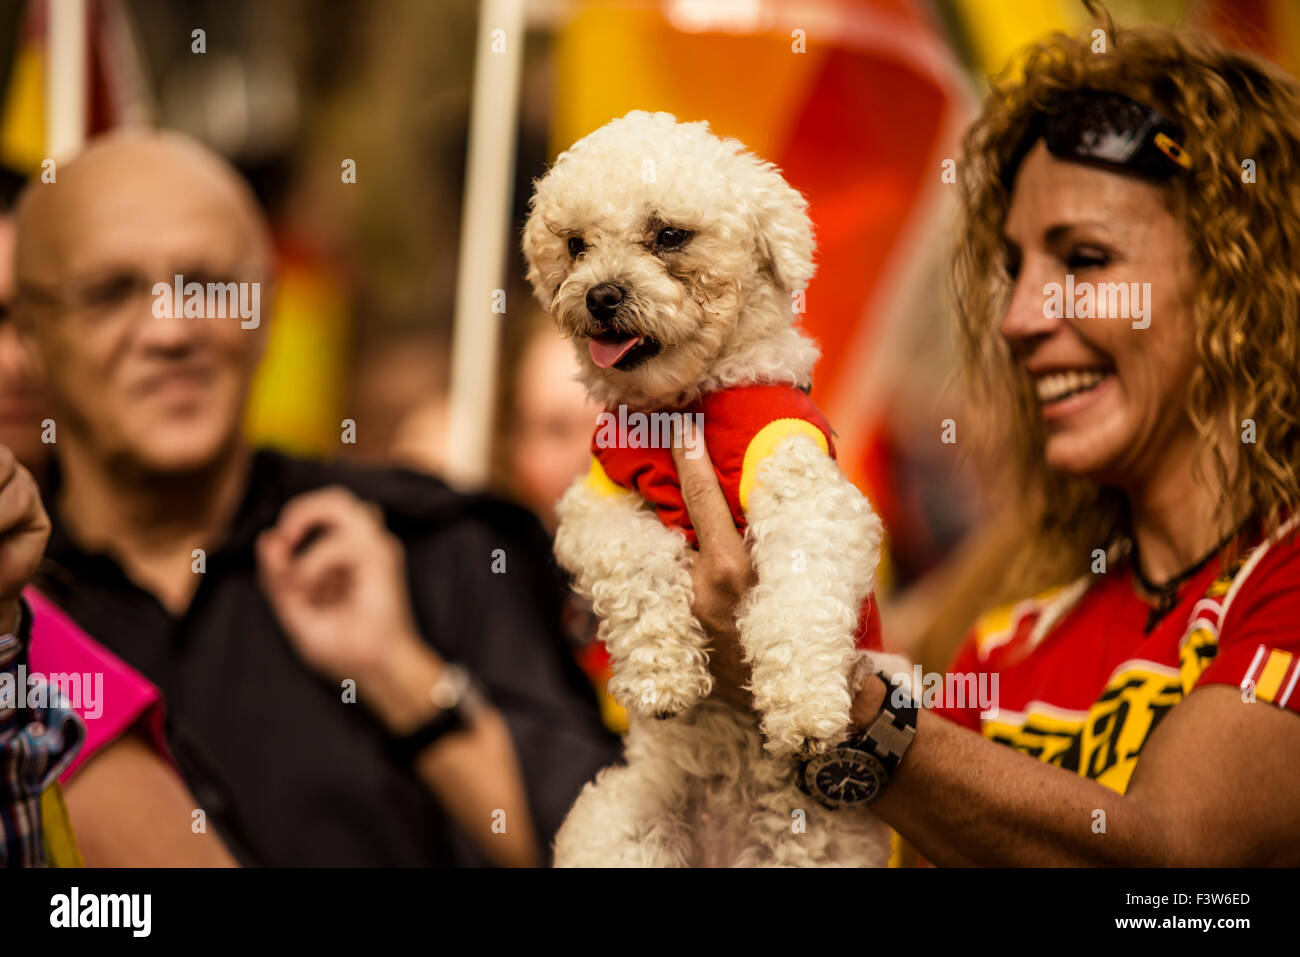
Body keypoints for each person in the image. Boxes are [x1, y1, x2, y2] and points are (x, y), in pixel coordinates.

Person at [673, 17, 1300, 865]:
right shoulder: (1006, 644)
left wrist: (821, 686)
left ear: (1239, 279)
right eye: (1016, 269)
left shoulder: (1283, 579)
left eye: (1083, 259)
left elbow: (1174, 872)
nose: (1018, 319)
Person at [16, 129, 618, 866]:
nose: (171, 329)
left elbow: (608, 850)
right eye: (110, 292)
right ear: (31, 333)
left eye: (210, 284)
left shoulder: (435, 542)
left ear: (266, 310)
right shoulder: (16, 603)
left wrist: (403, 673)